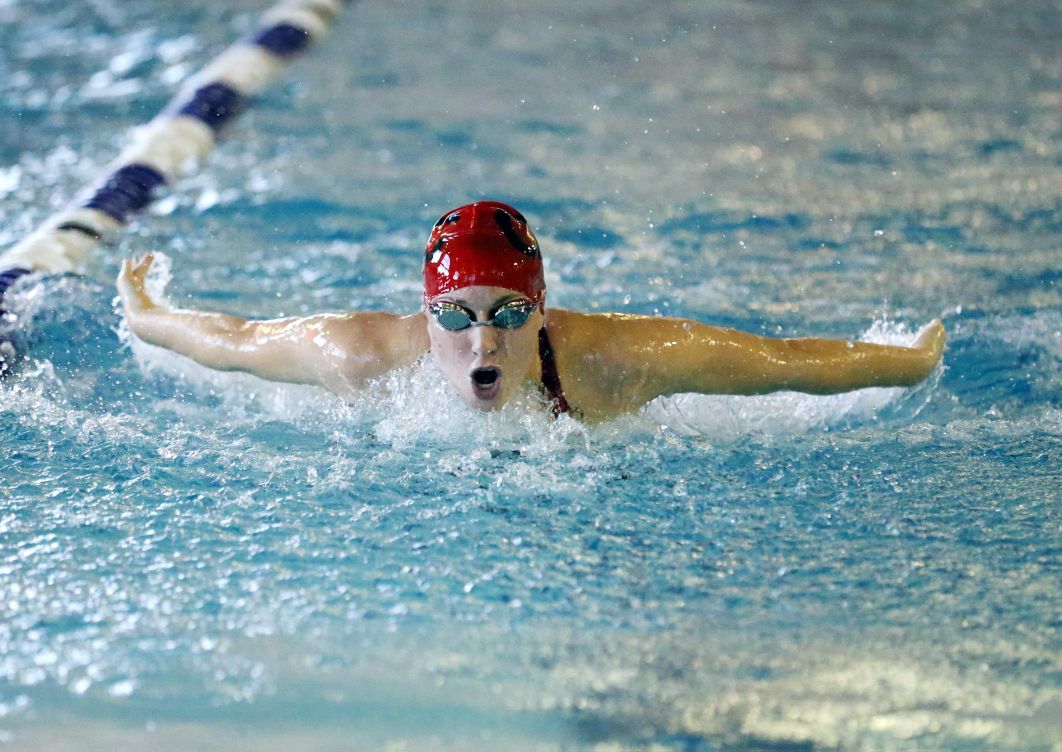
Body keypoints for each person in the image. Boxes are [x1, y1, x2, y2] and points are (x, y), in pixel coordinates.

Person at [118, 200, 945, 422]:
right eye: (457, 316)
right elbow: (231, 342)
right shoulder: (358, 355)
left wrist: (909, 362)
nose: (482, 338)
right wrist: (148, 311)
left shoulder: (612, 360)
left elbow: (780, 364)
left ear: (543, 312)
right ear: (426, 310)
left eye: (511, 314)